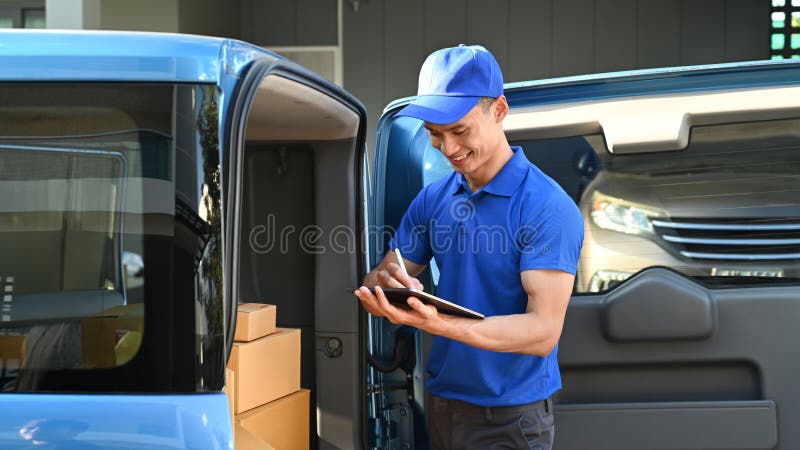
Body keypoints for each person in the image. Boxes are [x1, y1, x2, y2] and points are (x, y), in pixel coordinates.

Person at [353, 44, 584, 449]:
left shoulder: (546, 207)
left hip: (512, 418)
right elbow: (386, 274)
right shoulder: (433, 200)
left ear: (499, 110)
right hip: (444, 406)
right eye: (435, 135)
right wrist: (385, 288)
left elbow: (542, 331)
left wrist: (434, 323)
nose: (449, 149)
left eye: (460, 131)